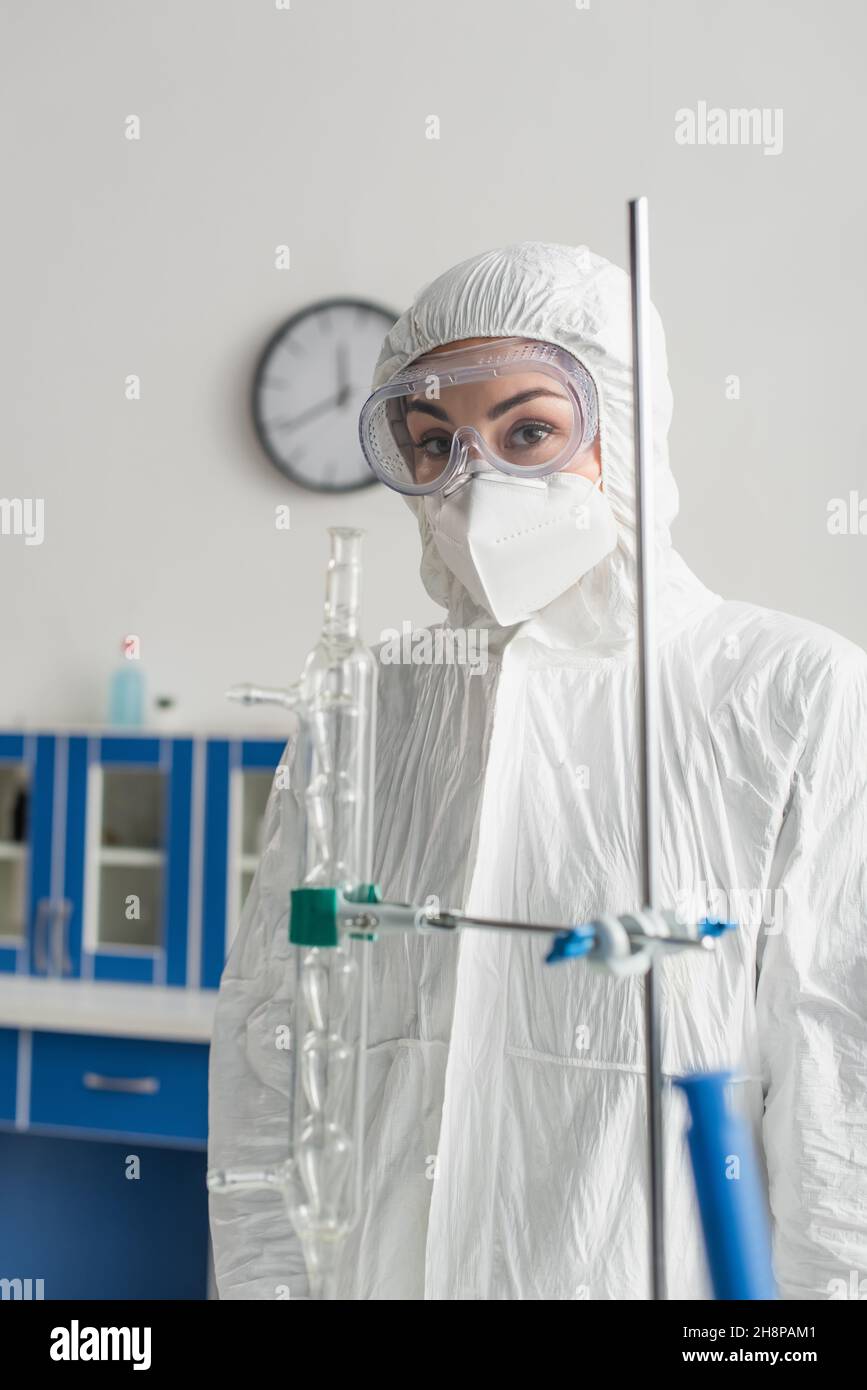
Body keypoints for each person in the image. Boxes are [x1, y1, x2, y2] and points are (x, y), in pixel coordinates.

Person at [208, 242, 867, 1300]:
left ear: (625, 431)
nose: (476, 484)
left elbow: (842, 1089)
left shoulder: (793, 694)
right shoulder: (370, 707)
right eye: (433, 444)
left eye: (528, 431)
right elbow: (270, 1048)